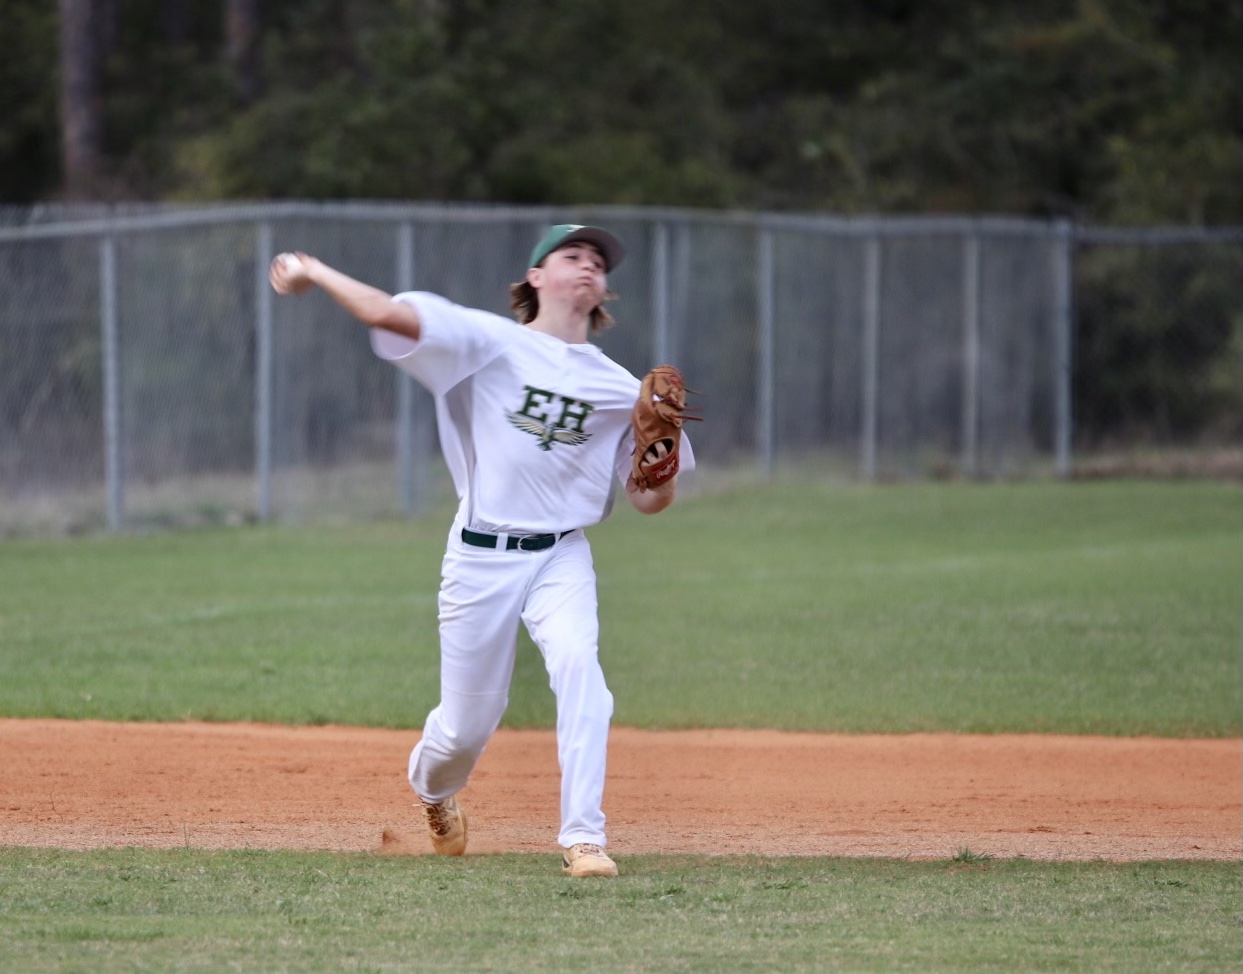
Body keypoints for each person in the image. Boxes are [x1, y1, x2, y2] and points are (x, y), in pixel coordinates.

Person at [269, 224, 694, 878]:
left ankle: (583, 839)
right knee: (465, 728)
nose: (588, 265)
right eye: (571, 255)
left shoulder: (621, 390)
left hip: (561, 555)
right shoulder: (484, 342)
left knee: (582, 671)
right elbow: (384, 313)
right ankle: (434, 793)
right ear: (534, 278)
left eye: (597, 261)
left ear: (603, 289)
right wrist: (314, 271)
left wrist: (655, 456)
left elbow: (648, 503)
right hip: (478, 555)